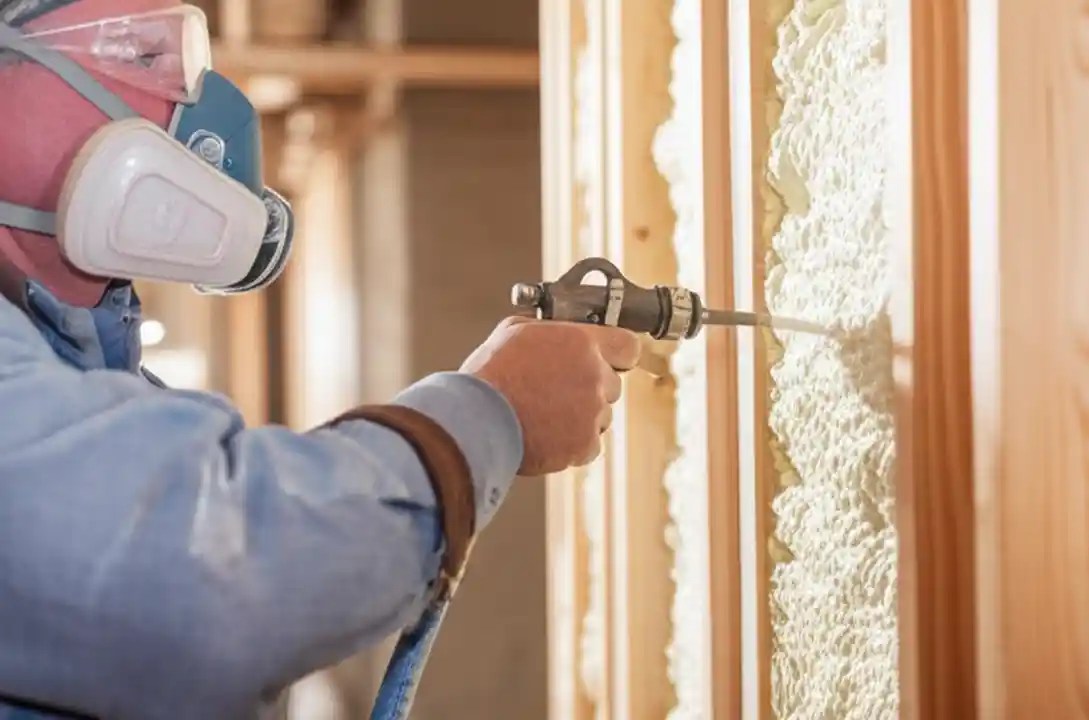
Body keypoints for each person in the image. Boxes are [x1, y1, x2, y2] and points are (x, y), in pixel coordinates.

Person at [0, 0, 640, 718]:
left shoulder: (82, 368)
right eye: (143, 55)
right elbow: (203, 583)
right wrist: (489, 415)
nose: (183, 92)